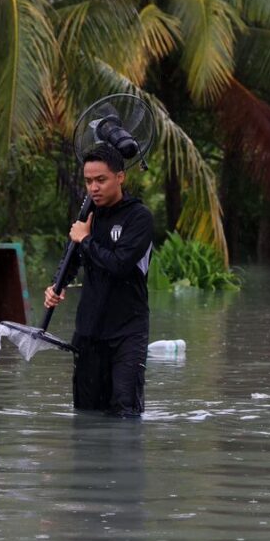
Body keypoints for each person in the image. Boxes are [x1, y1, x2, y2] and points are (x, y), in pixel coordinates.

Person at [44, 144, 155, 418]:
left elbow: (119, 264)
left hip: (128, 332)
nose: (93, 188)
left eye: (101, 180)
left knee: (125, 411)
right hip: (89, 332)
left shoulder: (138, 217)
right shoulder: (87, 217)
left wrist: (85, 238)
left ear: (120, 177)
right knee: (86, 414)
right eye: (88, 181)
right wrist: (56, 285)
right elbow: (71, 259)